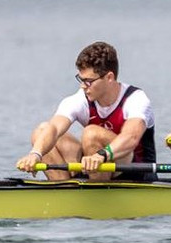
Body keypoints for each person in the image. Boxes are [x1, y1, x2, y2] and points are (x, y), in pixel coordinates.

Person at [17, 41, 155, 181]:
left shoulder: (136, 99)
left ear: (109, 78)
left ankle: (98, 194)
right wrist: (35, 154)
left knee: (91, 134)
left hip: (136, 171)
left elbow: (131, 137)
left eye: (88, 81)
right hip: (95, 166)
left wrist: (102, 154)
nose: (83, 86)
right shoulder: (80, 99)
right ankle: (65, 191)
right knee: (41, 132)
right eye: (81, 80)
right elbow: (54, 128)